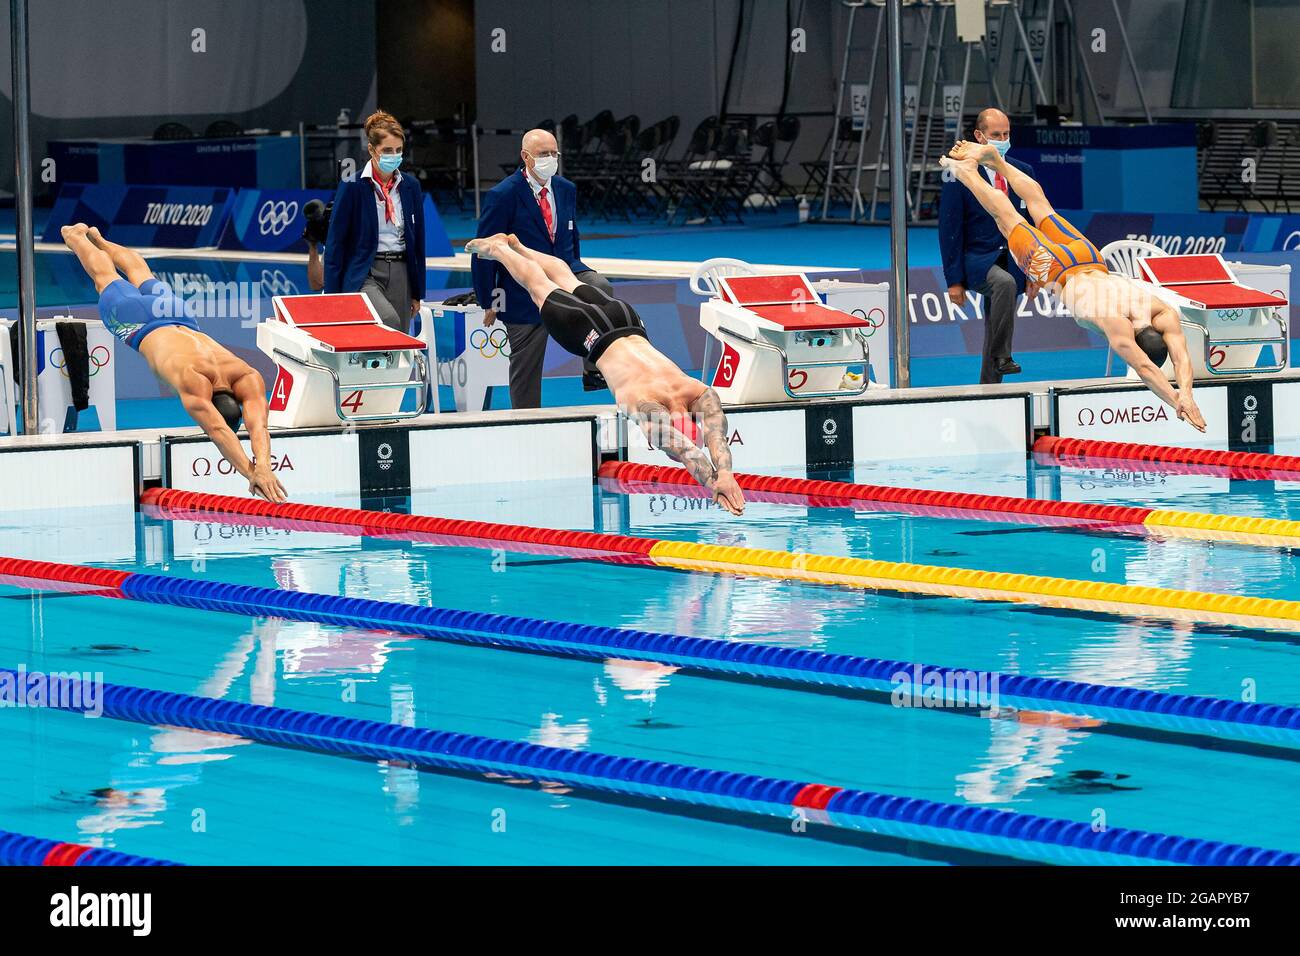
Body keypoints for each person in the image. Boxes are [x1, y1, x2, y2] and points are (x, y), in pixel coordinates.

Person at [467, 233, 744, 514]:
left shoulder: (696, 390)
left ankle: (519, 245)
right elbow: (687, 452)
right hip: (587, 333)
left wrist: (726, 475)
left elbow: (716, 439)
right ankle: (500, 249)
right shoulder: (644, 402)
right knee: (538, 286)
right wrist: (713, 484)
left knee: (568, 279)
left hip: (626, 319)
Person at [940, 141, 1207, 432]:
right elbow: (1144, 368)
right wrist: (1178, 401)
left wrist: (1188, 394)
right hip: (1057, 271)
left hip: (1089, 256)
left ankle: (999, 163)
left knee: (1040, 204)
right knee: (1007, 217)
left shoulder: (1160, 309)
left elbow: (1181, 357)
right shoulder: (1115, 323)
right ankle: (969, 173)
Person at [61, 223, 288, 501]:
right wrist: (253, 472)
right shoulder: (193, 383)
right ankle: (74, 237)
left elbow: (258, 427)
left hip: (178, 314)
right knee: (104, 276)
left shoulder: (246, 374)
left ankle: (100, 240)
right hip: (135, 321)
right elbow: (218, 429)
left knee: (140, 272)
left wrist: (263, 466)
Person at [472, 128, 614, 409]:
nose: (550, 158)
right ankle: (527, 422)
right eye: (543, 154)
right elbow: (484, 251)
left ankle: (592, 369)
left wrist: (574, 272)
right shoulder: (504, 195)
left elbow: (571, 236)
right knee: (525, 365)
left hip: (564, 272)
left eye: (554, 153)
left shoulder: (565, 189)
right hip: (522, 288)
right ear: (526, 157)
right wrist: (488, 299)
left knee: (600, 287)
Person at [938, 108, 1034, 384]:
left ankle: (990, 390)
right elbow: (949, 230)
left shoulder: (1023, 172)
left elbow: (1032, 226)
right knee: (1003, 284)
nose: (1002, 139)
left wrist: (1034, 272)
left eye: (1006, 134)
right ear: (980, 136)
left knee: (996, 323)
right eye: (996, 135)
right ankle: (1002, 357)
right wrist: (953, 281)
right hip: (976, 260)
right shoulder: (958, 173)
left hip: (1014, 260)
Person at [323, 110, 426, 331]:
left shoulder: (411, 186)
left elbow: (418, 242)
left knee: (400, 338)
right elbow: (335, 242)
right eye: (387, 151)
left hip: (401, 270)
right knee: (387, 321)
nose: (394, 156)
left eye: (398, 150)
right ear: (371, 149)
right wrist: (332, 297)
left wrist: (418, 292)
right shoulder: (352, 184)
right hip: (365, 271)